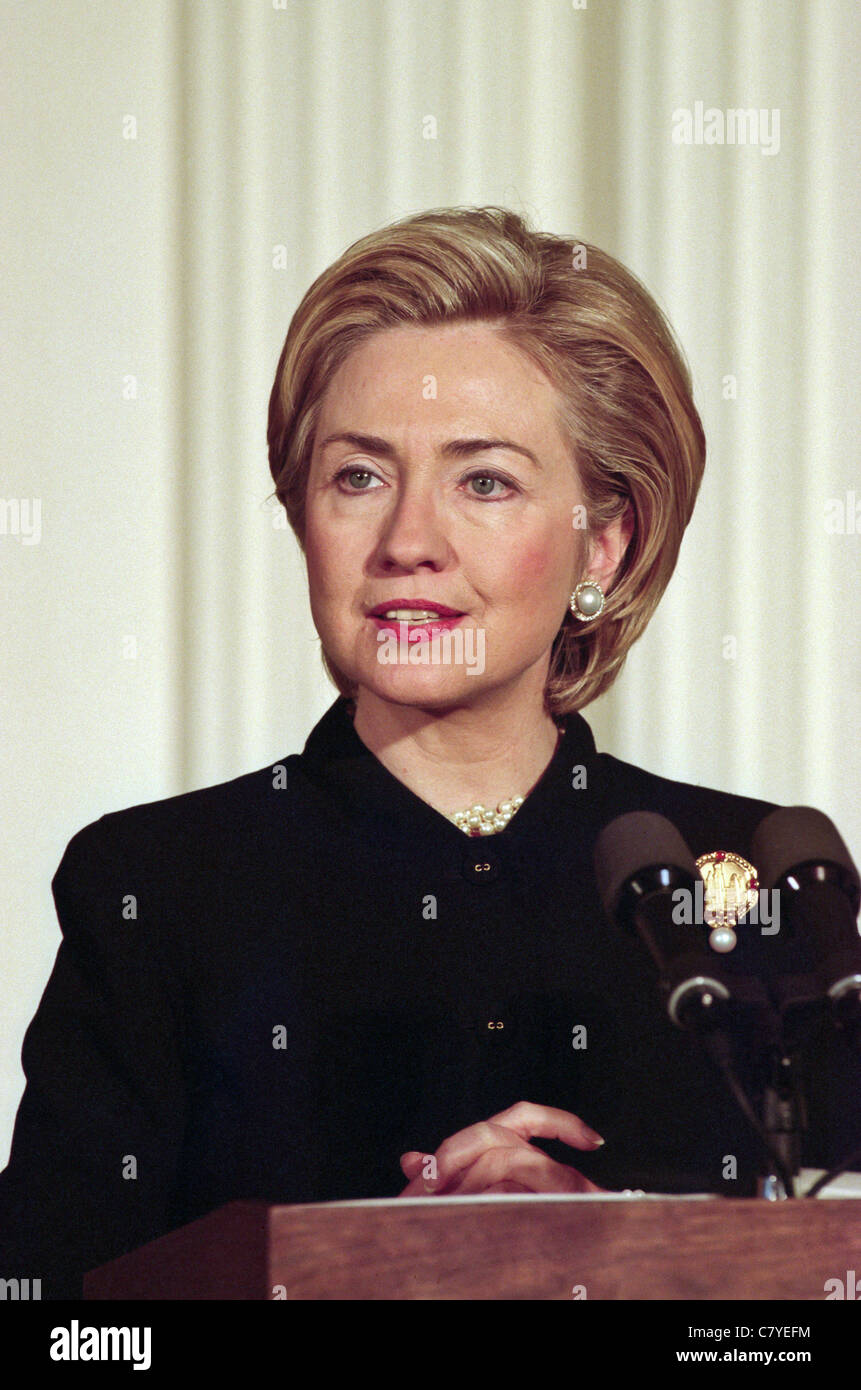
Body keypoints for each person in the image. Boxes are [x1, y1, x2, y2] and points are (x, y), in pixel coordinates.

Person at [1, 206, 857, 1299]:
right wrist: (370, 1267)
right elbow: (54, 1319)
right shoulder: (159, 886)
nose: (409, 539)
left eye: (484, 480)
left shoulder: (744, 876)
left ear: (607, 541)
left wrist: (624, 1254)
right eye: (358, 476)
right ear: (303, 516)